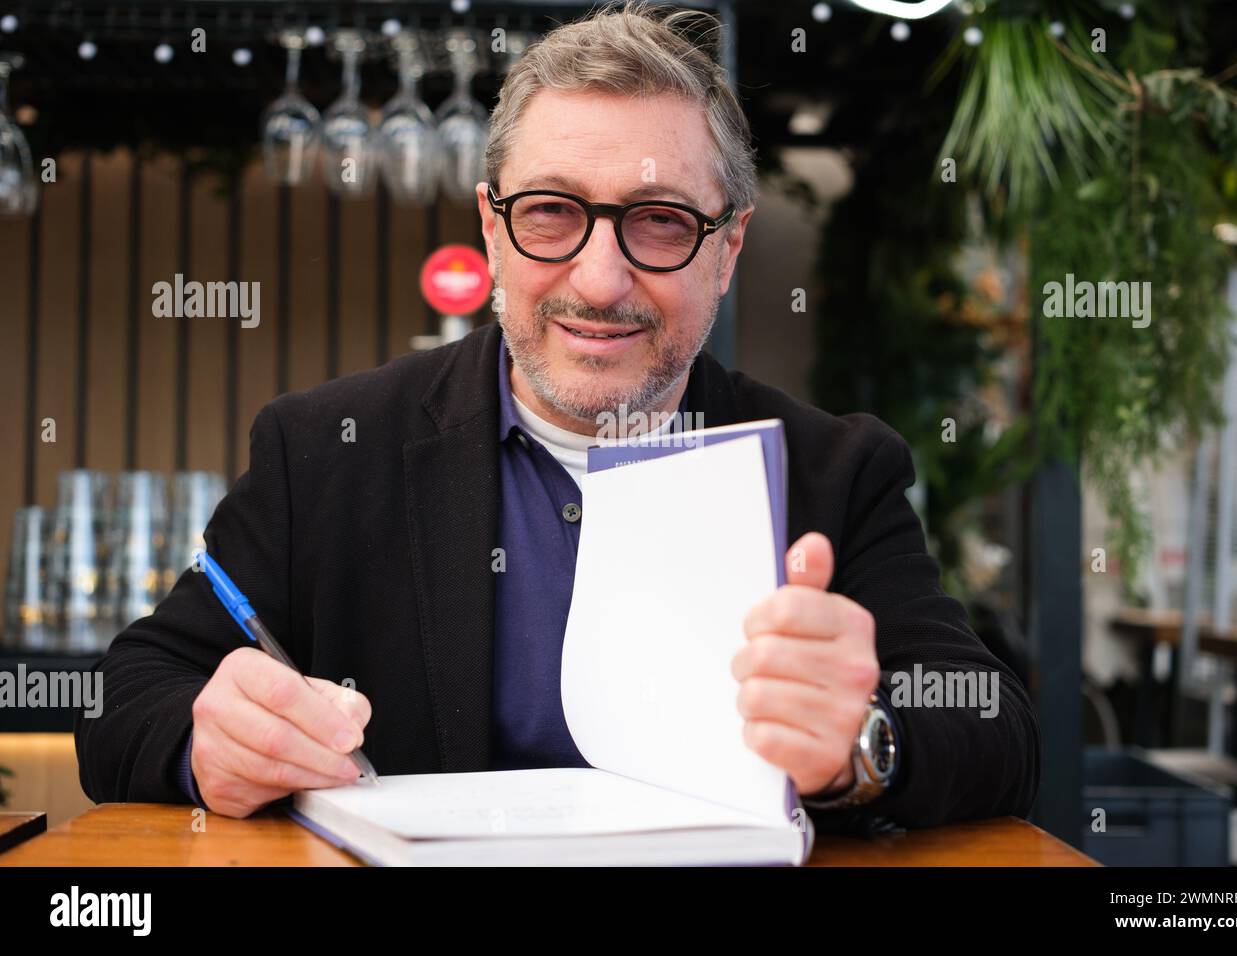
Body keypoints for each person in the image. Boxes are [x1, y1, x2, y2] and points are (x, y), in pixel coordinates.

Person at [75, 2, 1038, 831]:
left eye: (661, 219)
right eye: (550, 213)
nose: (601, 278)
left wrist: (863, 747)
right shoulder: (322, 450)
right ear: (492, 227)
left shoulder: (836, 471)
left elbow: (996, 727)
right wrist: (206, 741)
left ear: (729, 248)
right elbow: (125, 698)